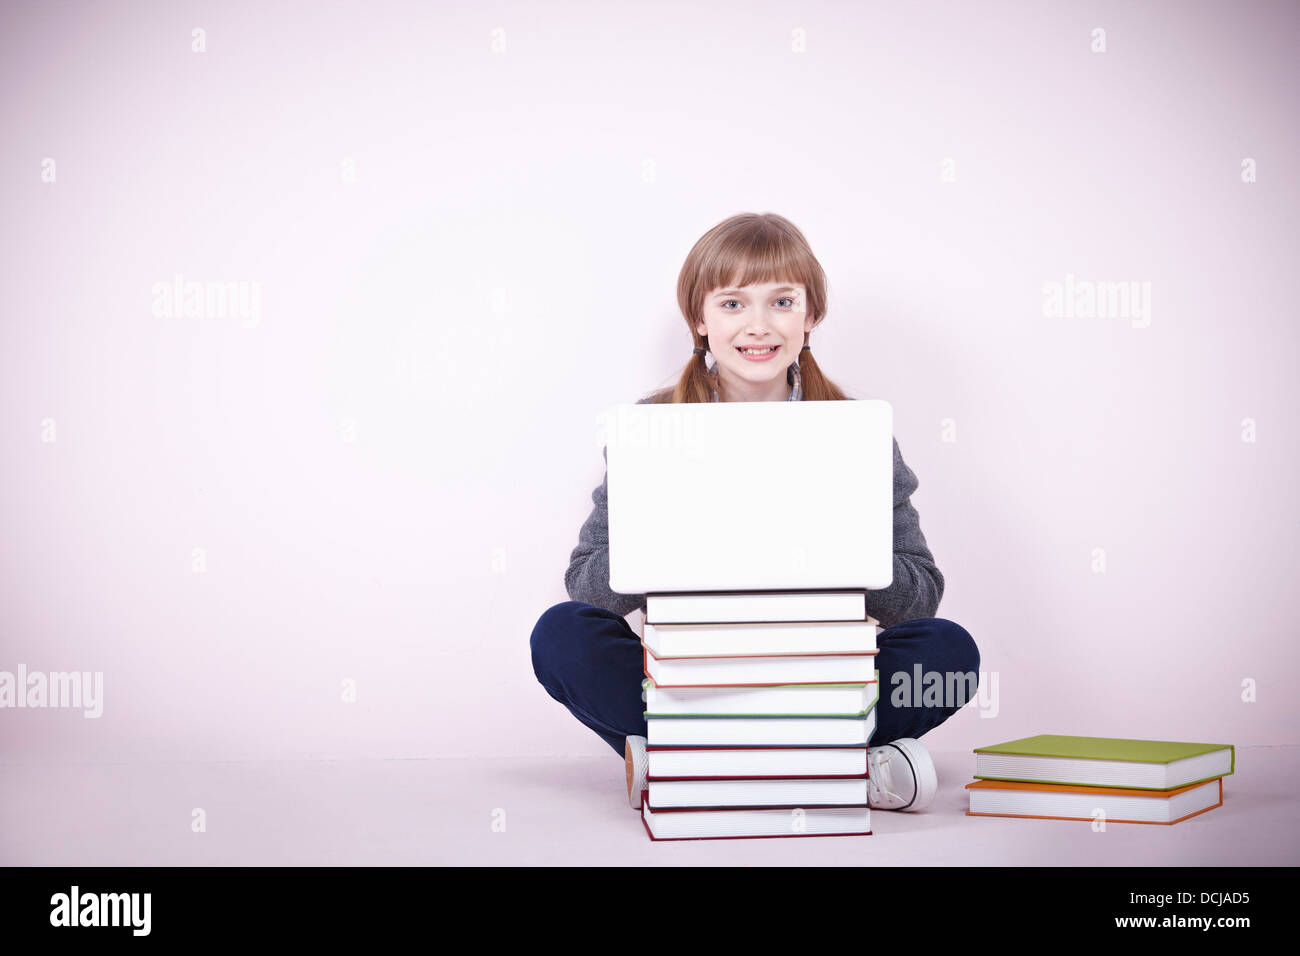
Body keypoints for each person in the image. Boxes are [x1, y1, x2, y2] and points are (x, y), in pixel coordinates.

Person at [530, 212, 979, 814]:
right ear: (700, 319)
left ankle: (690, 762)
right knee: (562, 635)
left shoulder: (859, 433)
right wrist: (678, 527)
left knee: (949, 652)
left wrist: (839, 546)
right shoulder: (651, 428)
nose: (759, 326)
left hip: (820, 675)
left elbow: (921, 597)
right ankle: (826, 764)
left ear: (811, 316)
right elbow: (586, 586)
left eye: (783, 302)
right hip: (689, 675)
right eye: (733, 304)